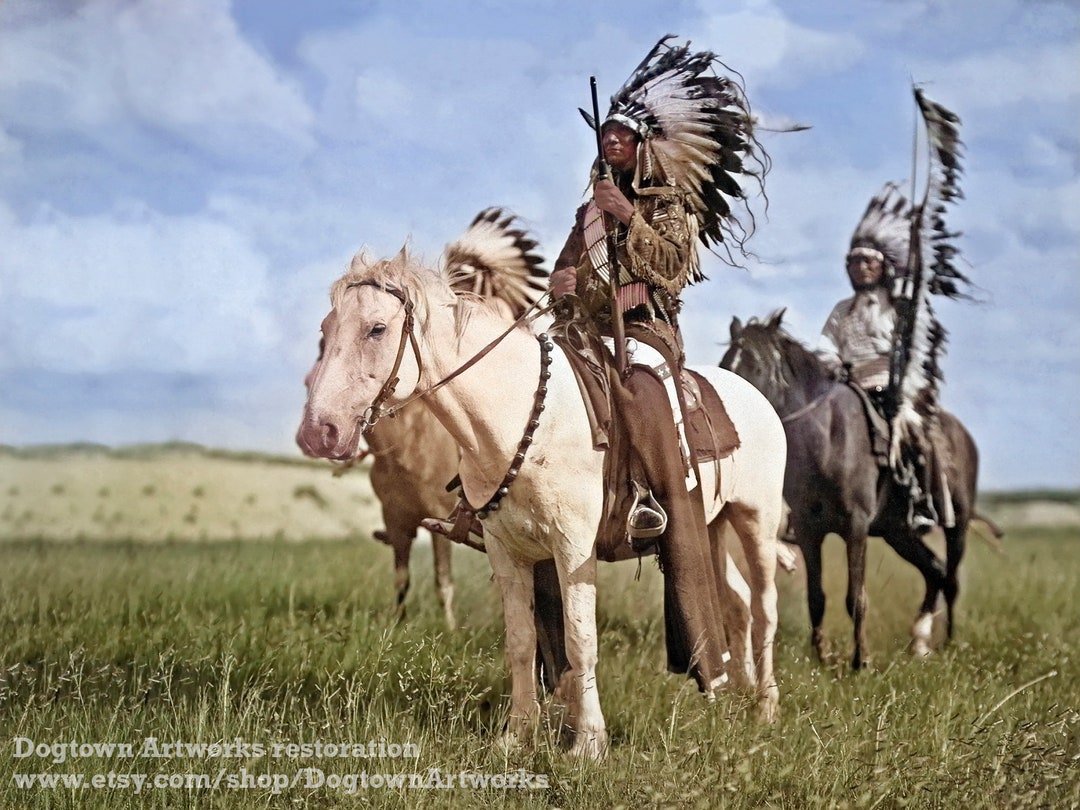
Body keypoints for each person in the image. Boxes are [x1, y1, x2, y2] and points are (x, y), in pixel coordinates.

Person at [550, 36, 766, 553]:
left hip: (646, 327)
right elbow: (566, 268)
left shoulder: (668, 204)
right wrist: (562, 286)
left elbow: (671, 270)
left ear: (643, 144)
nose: (611, 141)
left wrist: (627, 216)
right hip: (587, 328)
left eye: (622, 134)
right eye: (606, 135)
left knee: (639, 389)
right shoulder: (589, 215)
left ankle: (648, 491)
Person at [816, 184, 938, 532]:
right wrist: (834, 365)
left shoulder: (901, 308)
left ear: (882, 266)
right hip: (848, 388)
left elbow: (917, 349)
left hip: (894, 388)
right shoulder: (842, 309)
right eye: (853, 261)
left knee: (912, 433)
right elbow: (825, 344)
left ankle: (920, 500)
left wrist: (898, 370)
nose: (859, 268)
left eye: (866, 261)